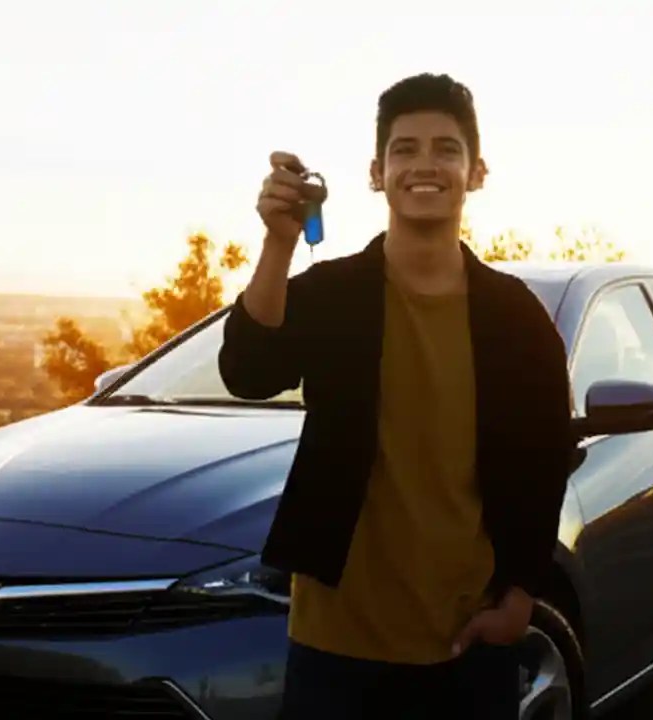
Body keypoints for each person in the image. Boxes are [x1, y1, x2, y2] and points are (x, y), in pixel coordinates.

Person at [217, 72, 574, 718]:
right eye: (405, 150)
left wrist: (520, 598)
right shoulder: (333, 295)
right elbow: (248, 369)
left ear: (477, 172)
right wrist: (278, 242)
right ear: (377, 173)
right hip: (335, 641)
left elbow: (545, 460)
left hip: (468, 641)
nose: (425, 165)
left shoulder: (516, 319)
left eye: (446, 148)